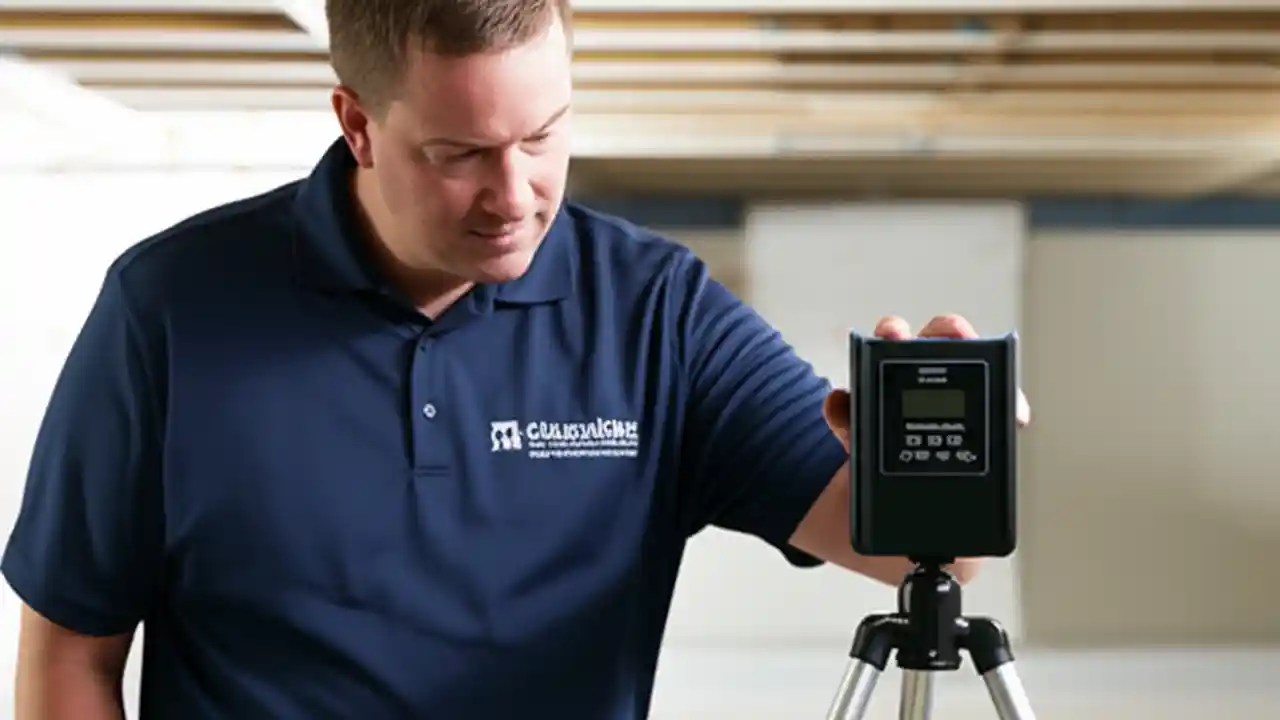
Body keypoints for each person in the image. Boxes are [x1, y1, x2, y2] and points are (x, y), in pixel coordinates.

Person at [2, 1, 1029, 718]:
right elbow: (72, 650)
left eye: (543, 136)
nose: (514, 194)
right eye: (458, 155)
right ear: (356, 123)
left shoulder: (655, 313)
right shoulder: (172, 306)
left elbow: (910, 557)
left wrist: (948, 474)